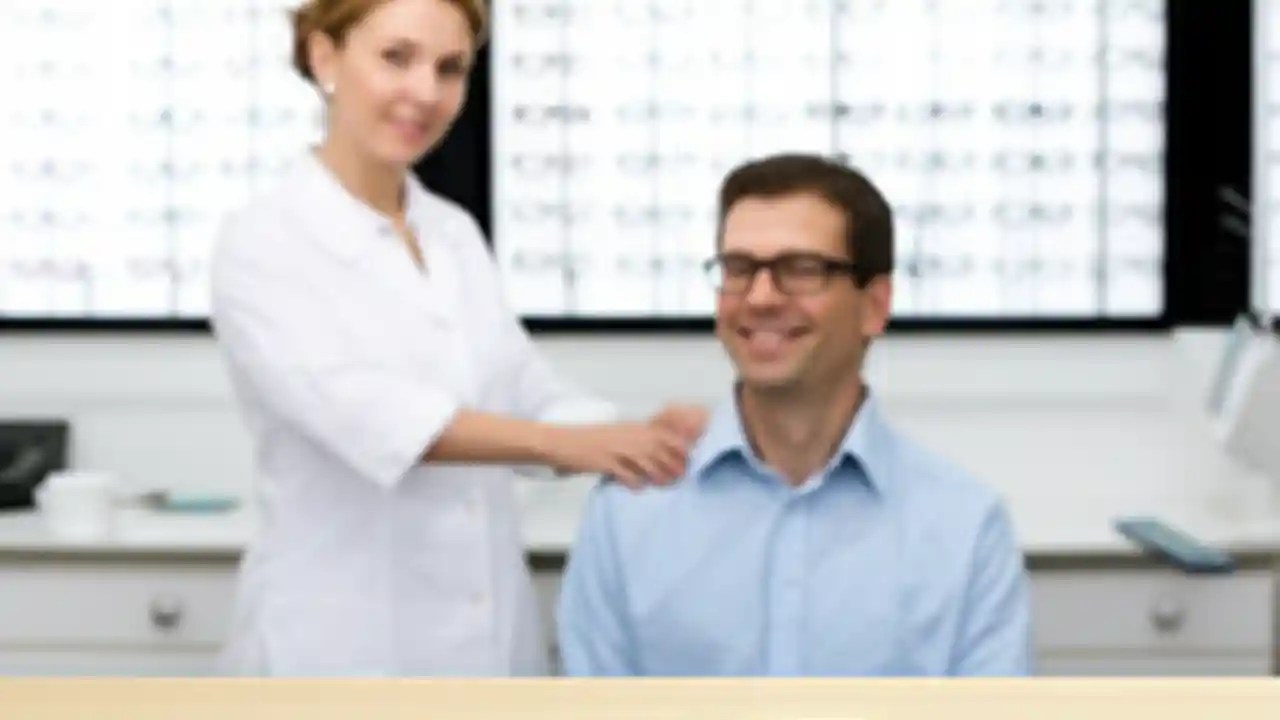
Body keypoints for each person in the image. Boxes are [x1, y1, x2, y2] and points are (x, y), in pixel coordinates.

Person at [210, 0, 704, 676]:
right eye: (397, 57)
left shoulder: (452, 232)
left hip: (485, 644)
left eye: (450, 69)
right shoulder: (264, 240)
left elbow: (523, 390)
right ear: (324, 55)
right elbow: (373, 417)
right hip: (339, 652)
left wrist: (637, 439)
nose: (427, 92)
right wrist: (574, 445)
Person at [556, 154, 1032, 676]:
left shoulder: (964, 526)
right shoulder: (629, 513)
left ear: (874, 305)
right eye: (739, 269)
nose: (759, 298)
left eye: (801, 270)